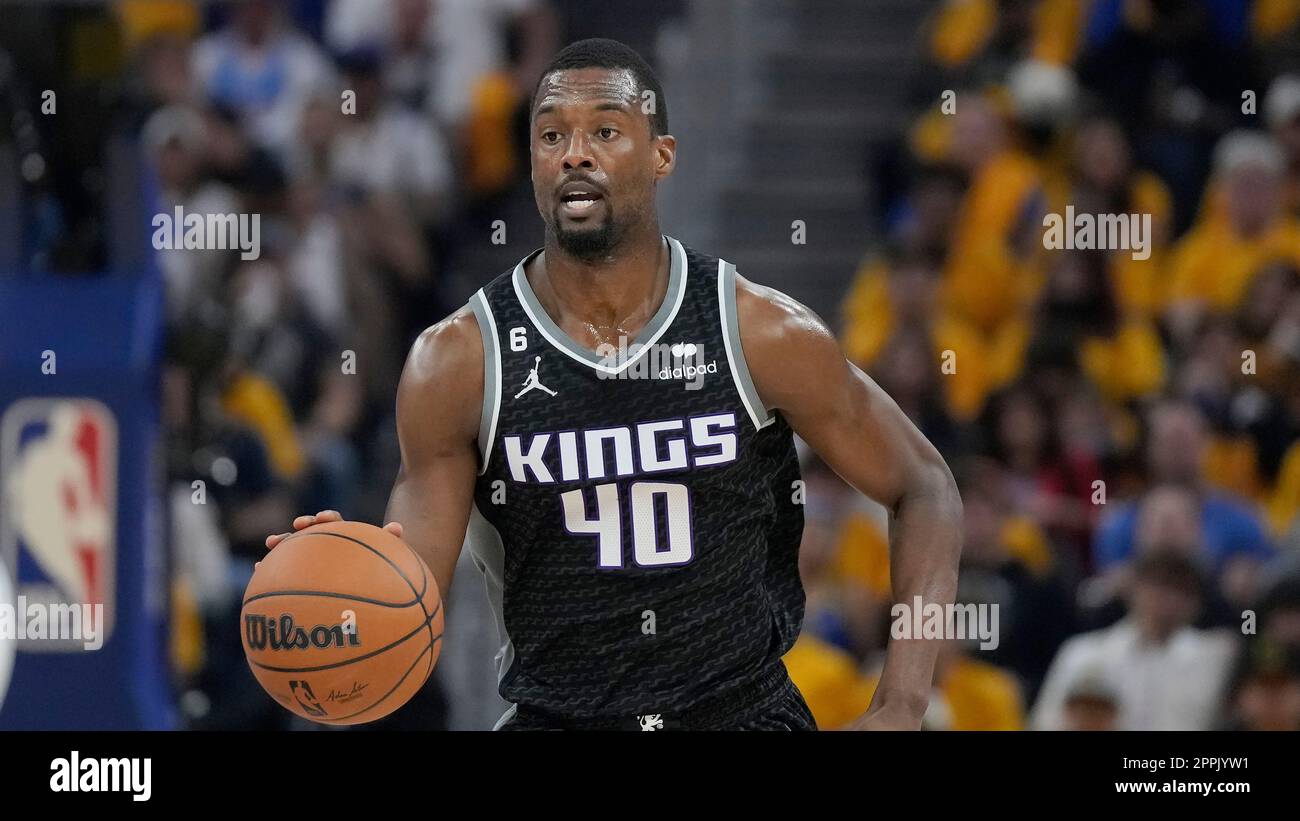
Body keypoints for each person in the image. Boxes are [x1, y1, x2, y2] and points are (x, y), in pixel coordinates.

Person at [266, 39, 963, 731]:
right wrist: (344, 584)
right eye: (551, 135)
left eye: (605, 130)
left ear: (661, 156)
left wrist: (902, 702)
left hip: (740, 714)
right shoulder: (455, 362)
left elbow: (925, 486)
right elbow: (408, 597)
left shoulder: (761, 331)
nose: (575, 153)